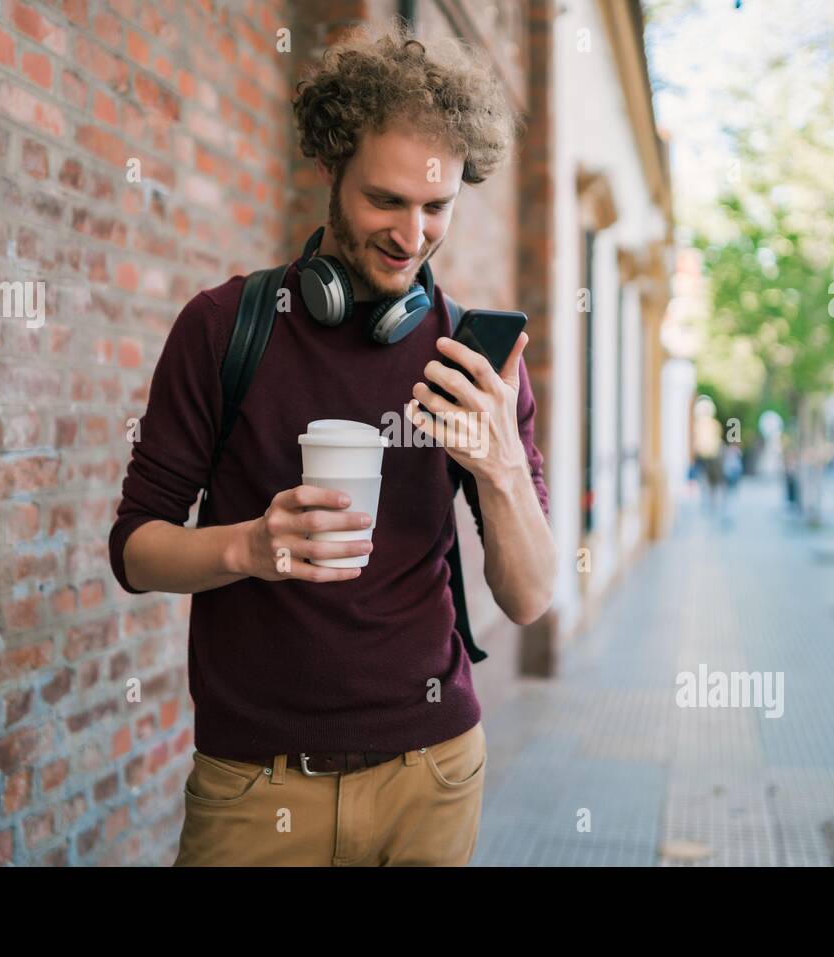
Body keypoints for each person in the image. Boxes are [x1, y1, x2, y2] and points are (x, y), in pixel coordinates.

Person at [107, 22, 555, 866]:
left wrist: (497, 463)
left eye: (438, 207)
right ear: (328, 169)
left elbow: (530, 598)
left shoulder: (474, 359)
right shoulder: (222, 329)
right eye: (385, 200)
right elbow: (136, 551)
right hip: (253, 785)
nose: (412, 234)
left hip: (434, 772)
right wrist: (249, 544)